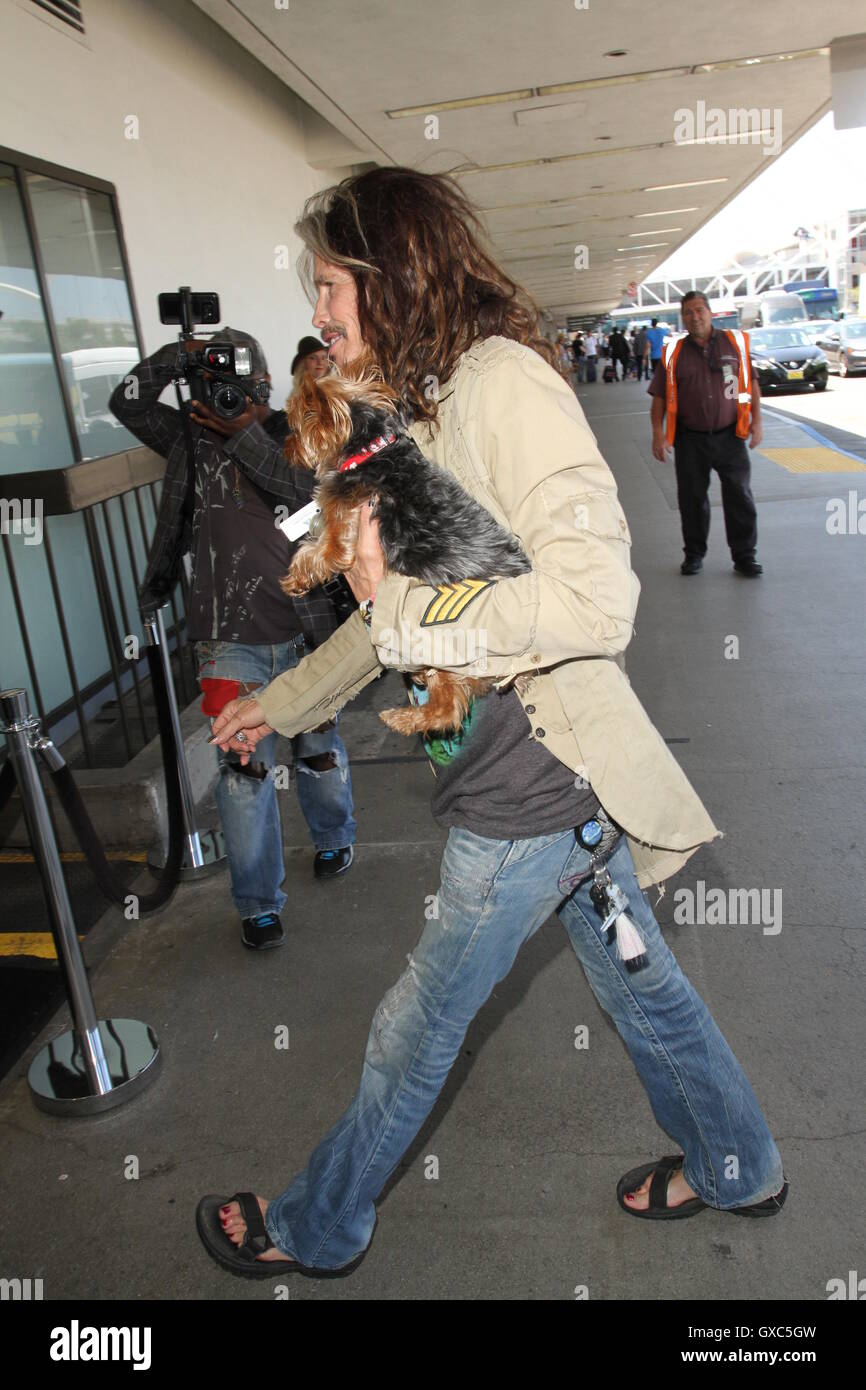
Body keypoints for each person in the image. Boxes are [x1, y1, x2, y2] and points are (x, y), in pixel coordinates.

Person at [198, 168, 786, 1278]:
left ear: (390, 275)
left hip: (526, 796)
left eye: (328, 283)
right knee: (640, 981)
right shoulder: (425, 405)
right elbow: (395, 618)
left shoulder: (502, 385)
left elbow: (593, 599)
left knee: (411, 1031)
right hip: (558, 803)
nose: (315, 310)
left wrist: (405, 606)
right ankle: (738, 1162)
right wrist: (276, 708)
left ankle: (316, 1225)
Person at [109, 328, 356, 953]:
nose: (224, 395)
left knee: (318, 752)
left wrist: (242, 425)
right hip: (227, 636)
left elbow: (303, 493)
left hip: (308, 630)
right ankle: (258, 904)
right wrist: (178, 358)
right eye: (214, 384)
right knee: (244, 771)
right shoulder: (186, 438)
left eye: (236, 385)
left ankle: (333, 836)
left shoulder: (296, 431)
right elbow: (129, 403)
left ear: (264, 387)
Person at [648, 291, 763, 577]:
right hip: (691, 439)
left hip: (731, 435)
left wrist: (757, 422)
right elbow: (659, 398)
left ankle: (745, 556)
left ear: (710, 313)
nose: (694, 316)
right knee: (692, 499)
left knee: (739, 496)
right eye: (688, 312)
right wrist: (657, 434)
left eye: (699, 310)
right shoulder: (674, 354)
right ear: (683, 317)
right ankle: (694, 555)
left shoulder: (733, 343)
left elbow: (752, 384)